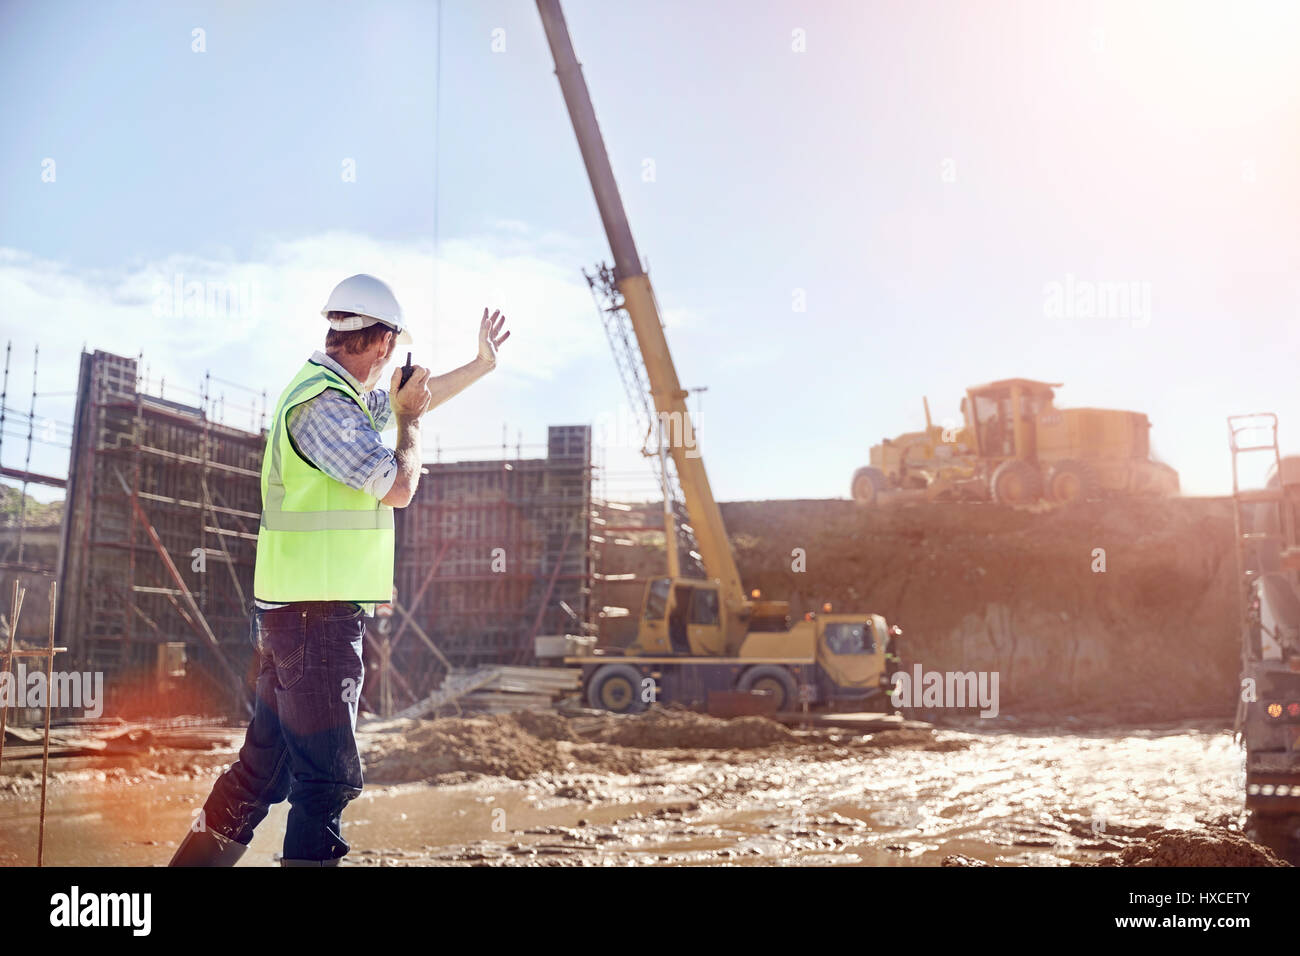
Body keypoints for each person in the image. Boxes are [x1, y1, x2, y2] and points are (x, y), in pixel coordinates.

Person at [168, 274, 510, 866]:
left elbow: (412, 397)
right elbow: (400, 486)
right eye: (392, 351)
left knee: (261, 775)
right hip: (316, 622)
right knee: (326, 784)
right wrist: (411, 424)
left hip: (293, 617)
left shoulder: (336, 397)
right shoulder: (326, 408)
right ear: (381, 344)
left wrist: (479, 366)